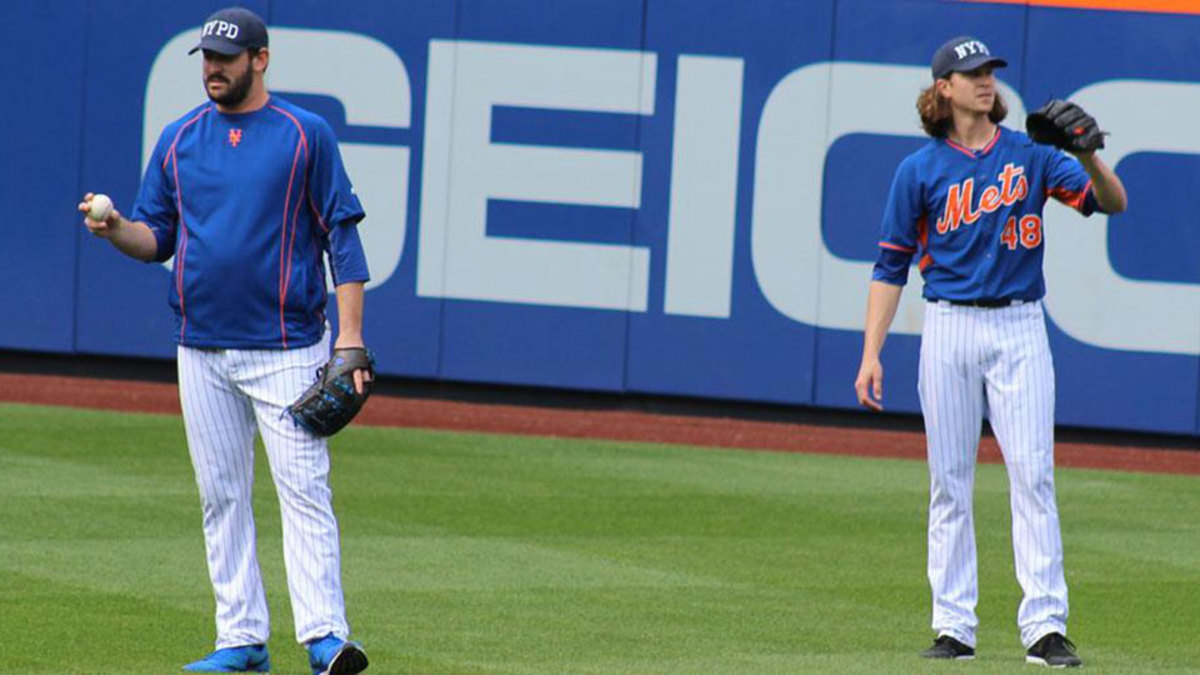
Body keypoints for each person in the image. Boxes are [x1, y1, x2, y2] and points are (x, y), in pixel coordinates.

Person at [78, 8, 372, 675]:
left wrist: (348, 343)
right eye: (207, 57)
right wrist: (117, 227)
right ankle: (242, 638)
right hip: (201, 346)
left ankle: (326, 639)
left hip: (290, 346)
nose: (213, 67)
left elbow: (343, 240)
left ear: (260, 60)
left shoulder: (305, 135)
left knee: (303, 489)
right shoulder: (180, 139)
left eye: (226, 58)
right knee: (222, 493)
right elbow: (157, 238)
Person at [854, 36, 1127, 668]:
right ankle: (953, 626)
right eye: (971, 73)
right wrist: (872, 352)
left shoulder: (1032, 156)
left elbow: (1111, 203)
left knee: (1033, 476)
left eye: (990, 72)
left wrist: (1088, 158)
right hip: (947, 328)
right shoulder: (918, 170)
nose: (986, 81)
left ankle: (1045, 628)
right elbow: (889, 266)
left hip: (1020, 328)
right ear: (943, 89)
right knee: (949, 482)